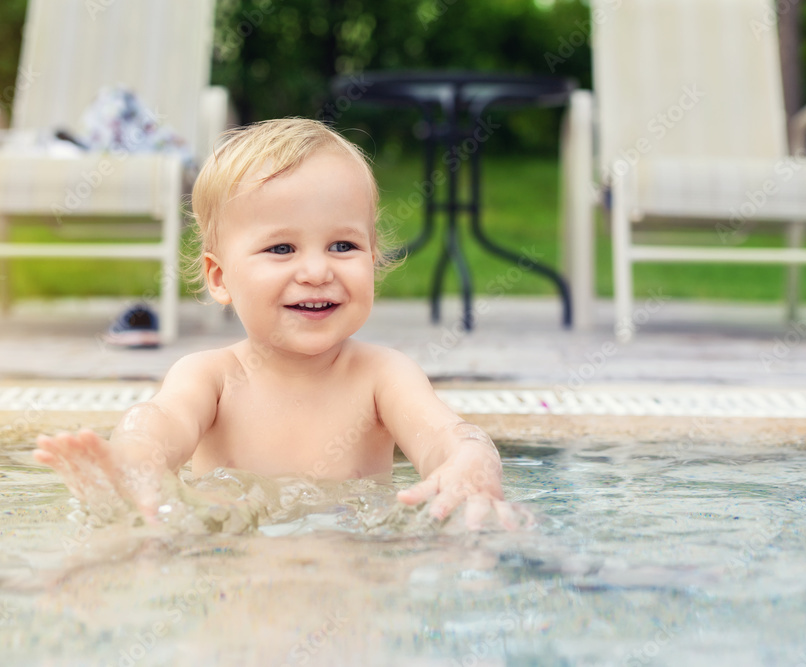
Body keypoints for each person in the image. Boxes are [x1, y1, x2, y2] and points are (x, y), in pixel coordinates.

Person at [34, 118, 520, 529]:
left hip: (352, 577)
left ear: (374, 257)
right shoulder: (211, 377)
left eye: (343, 246)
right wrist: (135, 463)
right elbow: (162, 423)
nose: (316, 272)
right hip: (233, 569)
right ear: (220, 278)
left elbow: (442, 436)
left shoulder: (382, 376)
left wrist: (472, 460)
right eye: (281, 249)